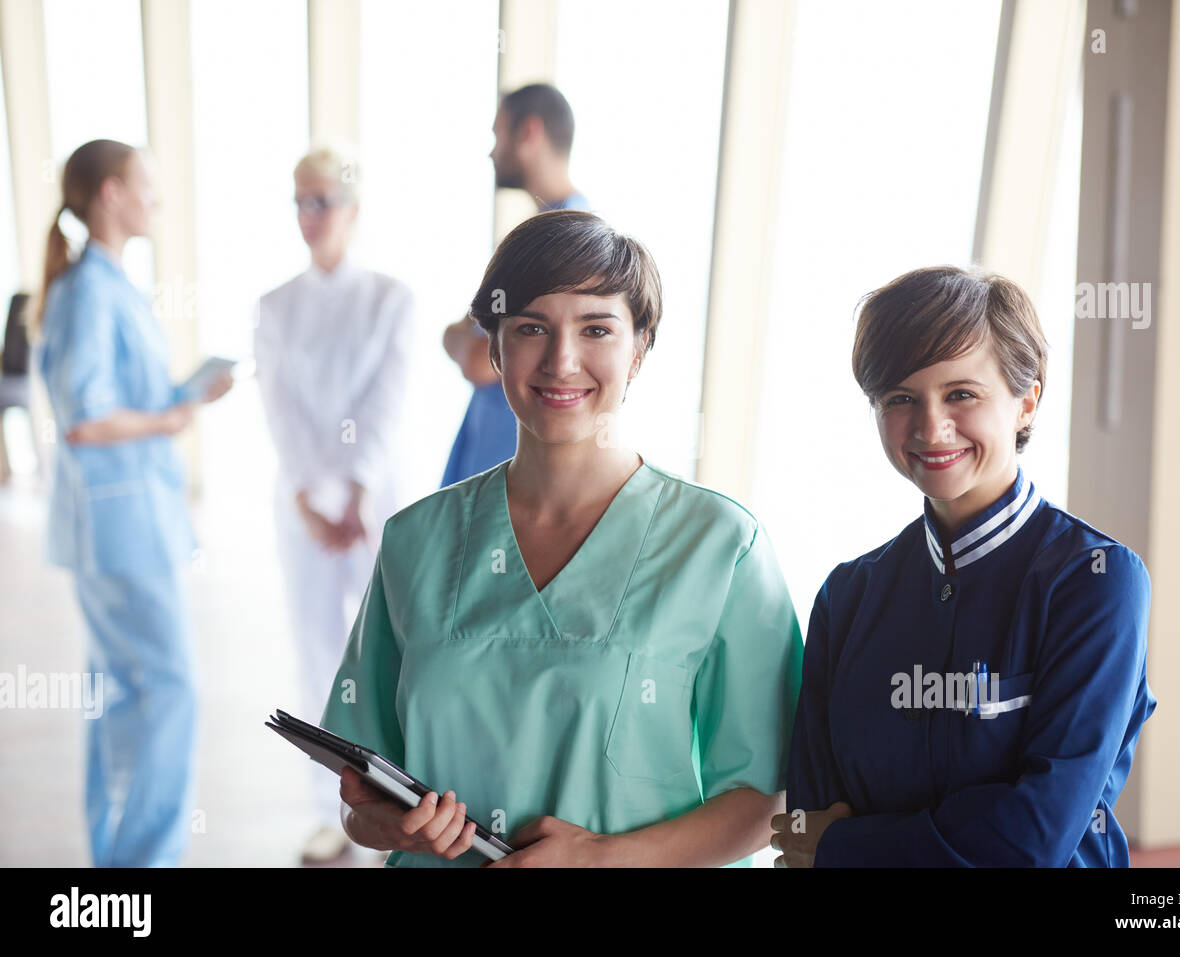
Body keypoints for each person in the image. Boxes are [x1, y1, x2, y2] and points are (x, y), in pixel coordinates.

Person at [322, 210, 803, 867]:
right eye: (530, 328)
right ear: (493, 349)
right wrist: (397, 827)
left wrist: (602, 857)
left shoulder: (720, 546)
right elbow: (361, 798)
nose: (561, 359)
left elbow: (767, 796)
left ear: (638, 348)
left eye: (597, 328)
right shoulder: (417, 540)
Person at [773, 266, 1156, 867]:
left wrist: (844, 846)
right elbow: (805, 825)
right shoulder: (848, 594)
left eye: (961, 394)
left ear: (1026, 402)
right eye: (900, 398)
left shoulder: (1096, 581)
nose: (931, 427)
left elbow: (1035, 839)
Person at [34, 139, 232, 867]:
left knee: (119, 692)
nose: (156, 198)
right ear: (111, 194)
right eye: (146, 185)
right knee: (170, 688)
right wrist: (170, 420)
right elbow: (86, 418)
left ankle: (121, 860)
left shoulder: (104, 283)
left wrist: (181, 397)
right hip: (121, 527)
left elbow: (112, 400)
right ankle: (145, 863)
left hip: (119, 523)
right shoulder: (90, 289)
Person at [254, 146, 414, 865]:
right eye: (299, 201)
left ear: (351, 208)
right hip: (302, 506)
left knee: (385, 655)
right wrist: (312, 497)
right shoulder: (274, 304)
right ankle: (332, 812)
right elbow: (279, 411)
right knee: (318, 651)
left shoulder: (390, 297)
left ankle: (396, 807)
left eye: (321, 201)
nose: (308, 216)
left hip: (372, 501)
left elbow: (383, 402)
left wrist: (352, 489)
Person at [441, 83, 591, 488]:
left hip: (511, 471)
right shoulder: (540, 235)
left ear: (529, 133)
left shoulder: (561, 242)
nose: (491, 152)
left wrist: (454, 336)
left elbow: (477, 356)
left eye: (498, 135)